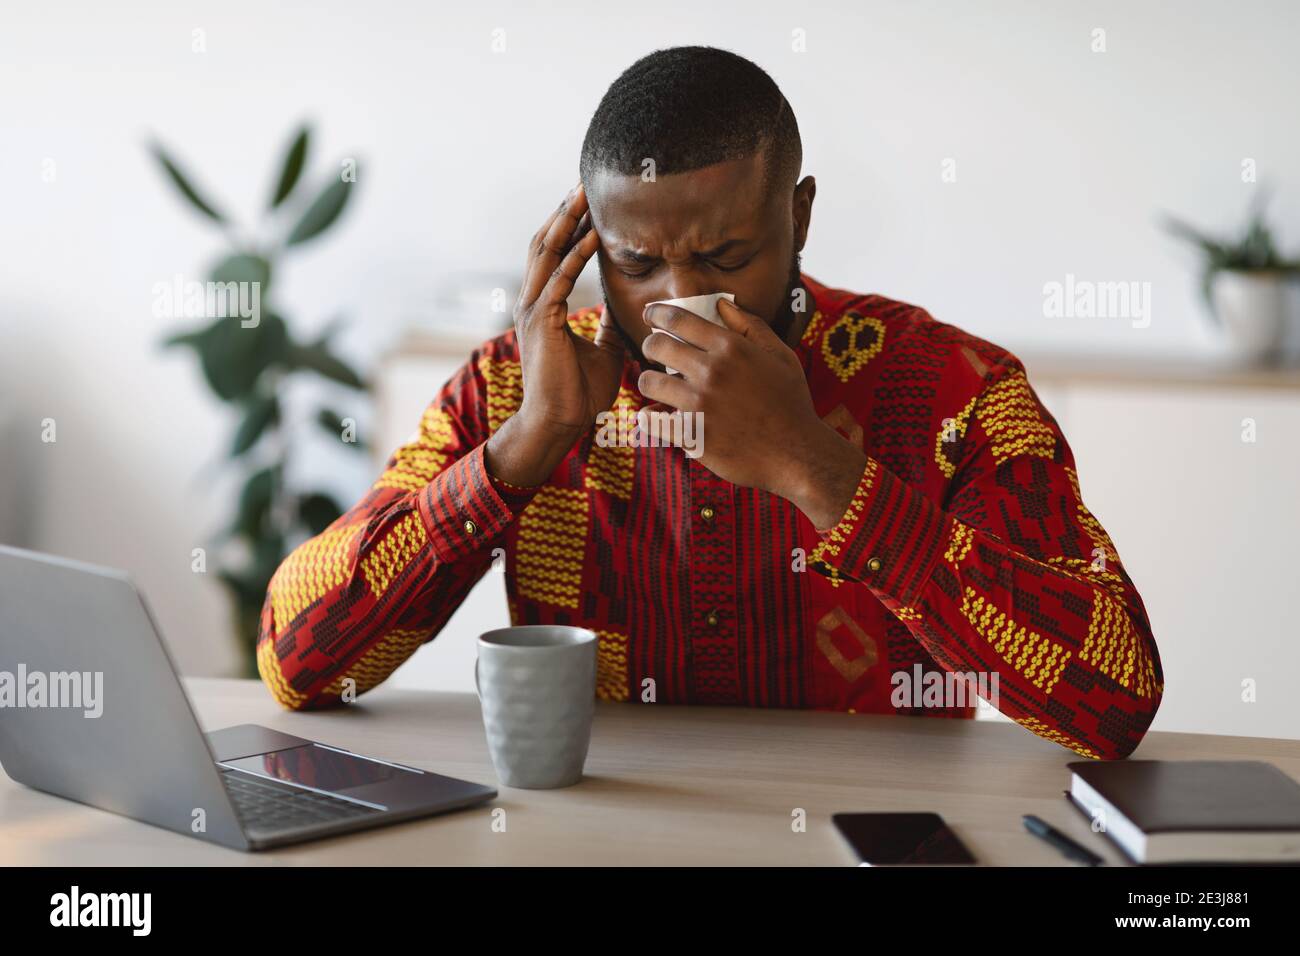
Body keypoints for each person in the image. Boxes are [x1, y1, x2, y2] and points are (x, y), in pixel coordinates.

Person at [256, 46, 1162, 760]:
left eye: (727, 260)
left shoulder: (951, 386)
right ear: (584, 241)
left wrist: (820, 469)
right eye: (636, 264)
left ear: (799, 219)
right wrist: (525, 447)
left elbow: (1115, 693)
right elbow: (295, 661)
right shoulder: (514, 386)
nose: (679, 303)